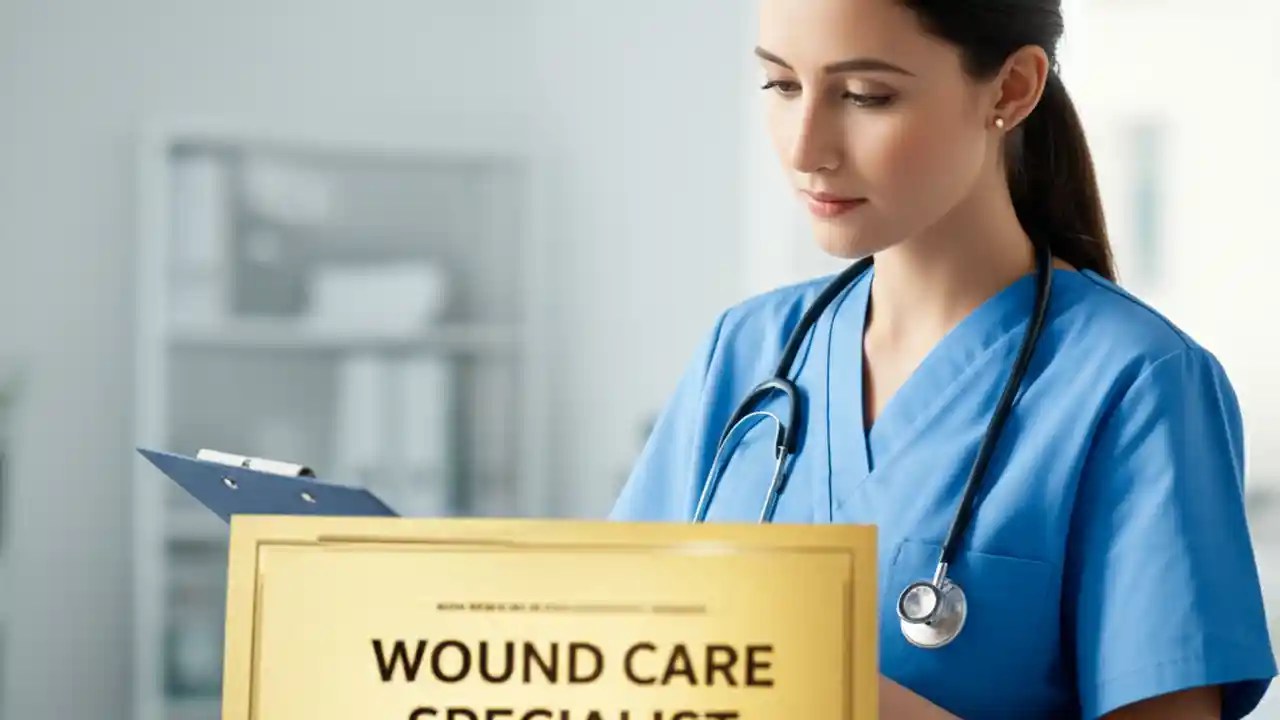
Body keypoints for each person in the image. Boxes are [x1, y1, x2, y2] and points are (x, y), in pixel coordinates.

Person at [607, 0, 1278, 717]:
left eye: (866, 95)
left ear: (1011, 89)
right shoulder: (745, 353)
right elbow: (607, 660)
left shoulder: (1136, 383)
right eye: (782, 85)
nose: (805, 150)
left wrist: (822, 690)